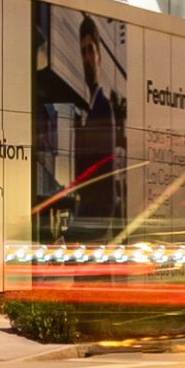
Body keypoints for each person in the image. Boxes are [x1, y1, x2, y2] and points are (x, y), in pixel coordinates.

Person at [71, 15, 122, 228]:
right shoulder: (89, 109)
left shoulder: (103, 109)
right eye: (83, 52)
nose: (87, 59)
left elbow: (104, 176)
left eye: (90, 50)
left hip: (94, 218)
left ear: (99, 55)